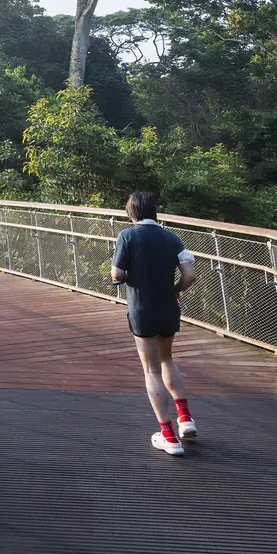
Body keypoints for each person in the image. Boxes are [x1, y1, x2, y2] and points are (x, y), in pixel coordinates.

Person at [110, 191, 199, 455]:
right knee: (167, 360)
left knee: (151, 371)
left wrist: (123, 277)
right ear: (154, 212)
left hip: (143, 309)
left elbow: (117, 274)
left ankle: (169, 437)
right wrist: (174, 290)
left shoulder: (127, 236)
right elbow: (189, 275)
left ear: (131, 214)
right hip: (168, 308)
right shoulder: (171, 237)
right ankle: (185, 419)